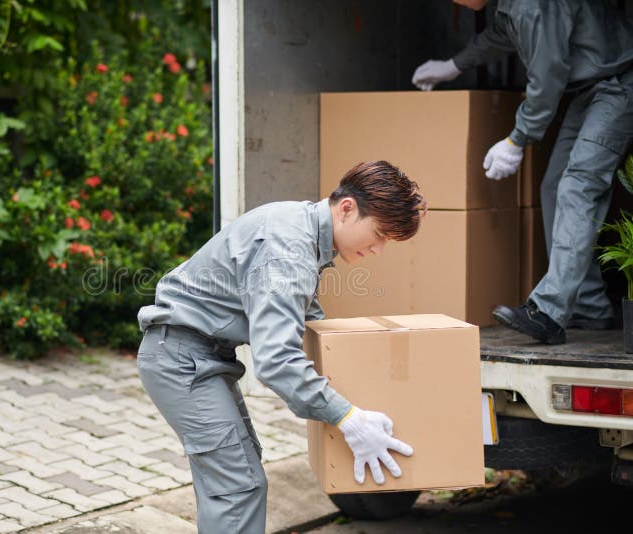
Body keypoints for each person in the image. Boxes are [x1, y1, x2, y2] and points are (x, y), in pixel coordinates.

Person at [136, 161, 425, 533]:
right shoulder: (288, 252)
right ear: (348, 208)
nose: (379, 249)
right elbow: (276, 360)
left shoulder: (299, 227)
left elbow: (306, 320)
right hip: (181, 359)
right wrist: (348, 417)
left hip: (195, 355)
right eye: (379, 234)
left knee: (236, 476)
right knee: (238, 485)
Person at [412, 0, 633, 344]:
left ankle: (549, 312)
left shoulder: (531, 5)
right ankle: (589, 306)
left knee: (578, 186)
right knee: (554, 186)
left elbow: (547, 79)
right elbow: (500, 36)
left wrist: (517, 139)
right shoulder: (511, 8)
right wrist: (453, 65)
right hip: (591, 91)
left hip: (618, 86)